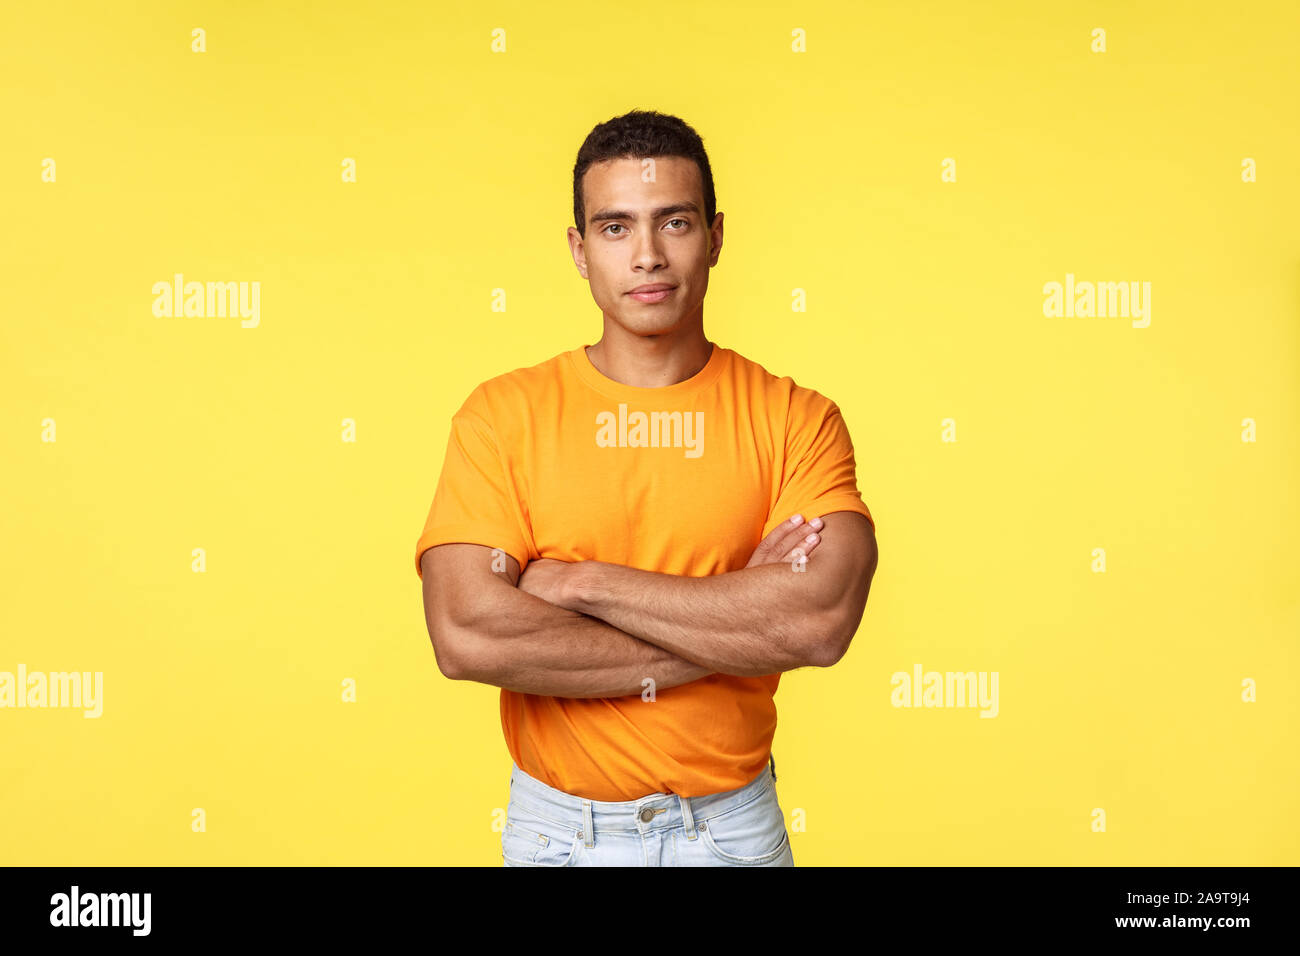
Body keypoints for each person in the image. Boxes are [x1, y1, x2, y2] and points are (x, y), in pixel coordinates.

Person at [415, 109, 878, 866]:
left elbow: (818, 622)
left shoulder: (796, 418)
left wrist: (581, 582)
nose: (649, 256)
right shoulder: (501, 417)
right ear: (579, 248)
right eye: (616, 227)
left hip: (730, 833)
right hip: (557, 836)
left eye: (674, 222)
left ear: (716, 235)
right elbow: (467, 635)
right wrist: (741, 618)